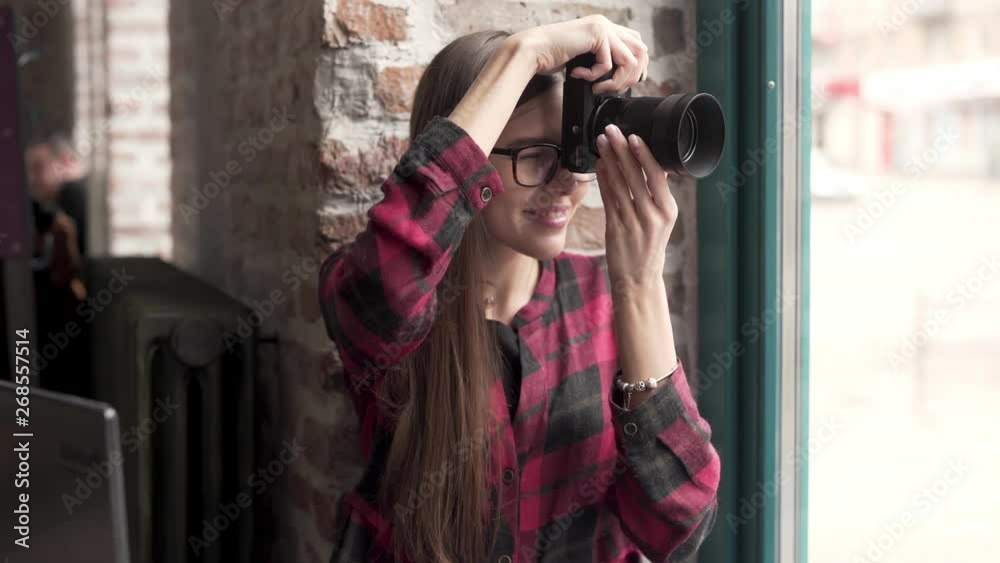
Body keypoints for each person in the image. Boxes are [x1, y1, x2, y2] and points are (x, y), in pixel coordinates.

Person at [319, 16, 720, 563]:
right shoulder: (378, 292)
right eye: (535, 154)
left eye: (577, 151)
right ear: (471, 156)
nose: (566, 181)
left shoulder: (606, 298)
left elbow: (678, 523)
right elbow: (389, 285)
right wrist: (522, 54)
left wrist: (640, 282)